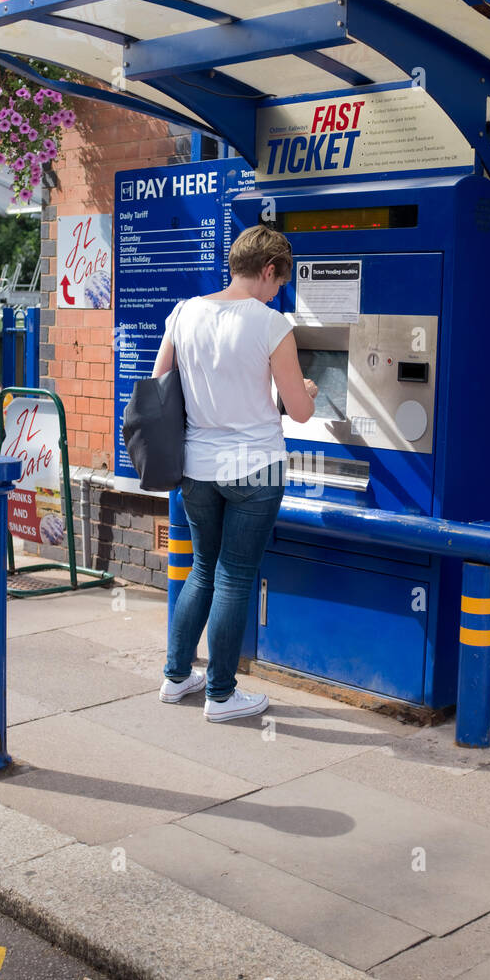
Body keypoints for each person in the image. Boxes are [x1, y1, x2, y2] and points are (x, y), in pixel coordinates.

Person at [153, 225, 318, 722]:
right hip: (253, 468)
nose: (277, 291)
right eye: (278, 282)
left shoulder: (184, 312)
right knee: (235, 578)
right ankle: (221, 695)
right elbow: (301, 410)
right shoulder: (272, 324)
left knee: (202, 571)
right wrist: (304, 386)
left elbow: (161, 384)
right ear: (269, 270)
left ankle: (176, 676)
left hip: (197, 467)